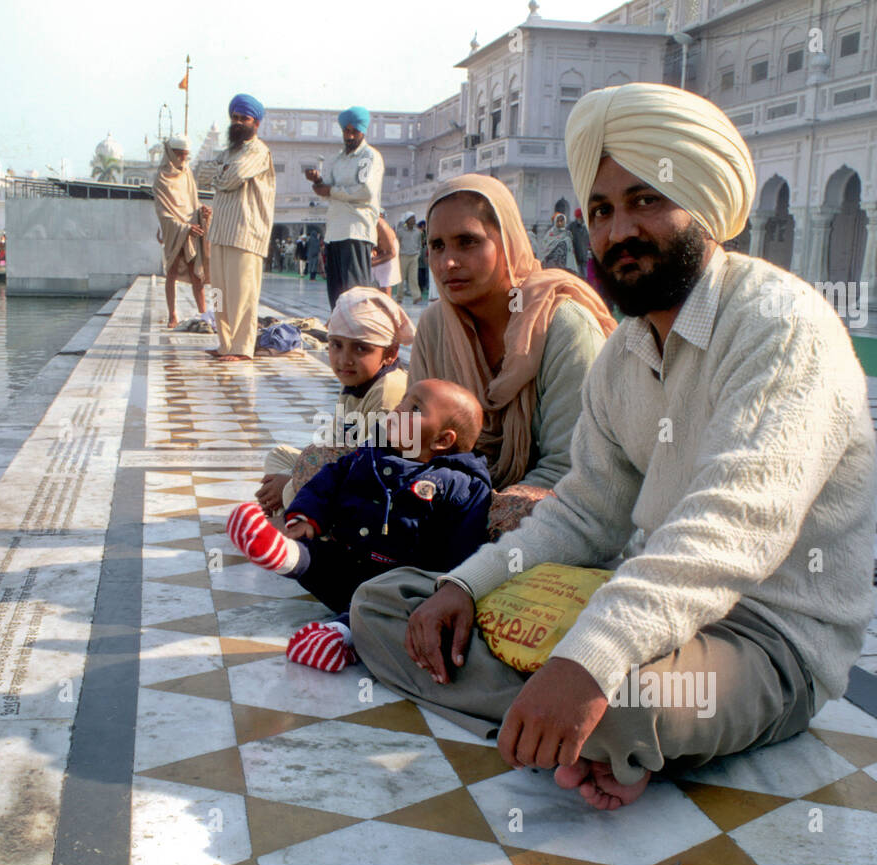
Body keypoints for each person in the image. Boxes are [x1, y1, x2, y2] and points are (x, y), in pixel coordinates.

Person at [351, 82, 877, 811]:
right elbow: (585, 512)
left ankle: (589, 721)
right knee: (390, 603)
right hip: (645, 604)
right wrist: (465, 587)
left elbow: (730, 528)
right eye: (601, 211)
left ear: (703, 203)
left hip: (764, 639)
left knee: (629, 701)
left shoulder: (782, 327)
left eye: (646, 200)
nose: (618, 230)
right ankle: (579, 729)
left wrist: (591, 662)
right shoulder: (625, 353)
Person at [230, 378, 491, 672]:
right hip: (345, 564)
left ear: (442, 440)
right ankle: (286, 556)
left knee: (389, 607)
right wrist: (304, 517)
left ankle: (343, 635)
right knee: (317, 556)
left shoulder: (460, 485)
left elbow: (465, 545)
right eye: (404, 399)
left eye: (415, 408)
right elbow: (328, 482)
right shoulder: (370, 453)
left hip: (398, 584)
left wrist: (449, 586)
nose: (399, 408)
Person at [406, 174, 616, 537]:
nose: (448, 262)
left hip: (549, 512)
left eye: (467, 242)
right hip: (454, 500)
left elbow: (570, 467)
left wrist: (474, 513)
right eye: (436, 246)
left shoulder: (562, 325)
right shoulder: (436, 326)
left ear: (507, 242)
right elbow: (414, 443)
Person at [257, 286, 413, 515]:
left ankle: (295, 515)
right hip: (346, 471)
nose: (344, 359)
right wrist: (297, 476)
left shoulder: (389, 393)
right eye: (336, 345)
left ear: (390, 352)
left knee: (291, 487)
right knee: (279, 455)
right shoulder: (356, 381)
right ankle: (294, 509)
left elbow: (370, 474)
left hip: (374, 494)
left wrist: (292, 485)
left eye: (361, 348)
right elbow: (334, 445)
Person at [206, 93, 276, 362]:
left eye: (243, 118)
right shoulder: (228, 153)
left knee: (243, 295)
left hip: (246, 232)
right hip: (221, 231)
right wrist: (219, 171)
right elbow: (204, 172)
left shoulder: (258, 151)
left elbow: (230, 178)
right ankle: (224, 344)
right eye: (234, 117)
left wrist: (219, 172)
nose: (237, 122)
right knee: (219, 295)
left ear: (255, 123)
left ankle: (242, 348)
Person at [305, 106, 383, 310]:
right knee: (337, 297)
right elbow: (327, 187)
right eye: (345, 131)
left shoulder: (368, 156)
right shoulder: (338, 159)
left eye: (353, 131)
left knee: (355, 296)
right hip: (335, 233)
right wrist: (318, 181)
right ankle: (341, 338)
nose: (348, 136)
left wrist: (331, 190)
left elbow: (365, 191)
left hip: (356, 231)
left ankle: (359, 339)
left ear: (362, 131)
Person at [153, 133, 213, 330]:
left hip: (193, 229)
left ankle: (204, 313)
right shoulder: (161, 178)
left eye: (186, 155)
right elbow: (164, 212)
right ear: (171, 153)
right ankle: (172, 315)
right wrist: (184, 228)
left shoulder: (187, 174)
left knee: (197, 274)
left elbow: (192, 203)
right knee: (171, 271)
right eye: (179, 155)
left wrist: (202, 212)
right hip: (175, 231)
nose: (183, 159)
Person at [371, 213, 401, 295]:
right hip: (380, 253)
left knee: (385, 281)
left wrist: (373, 262)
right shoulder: (368, 225)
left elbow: (392, 253)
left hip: (388, 254)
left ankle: (386, 305)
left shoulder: (381, 226)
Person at [397, 212, 424, 303]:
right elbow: (397, 244)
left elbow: (419, 244)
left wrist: (418, 254)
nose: (414, 220)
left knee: (413, 278)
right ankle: (399, 297)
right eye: (412, 218)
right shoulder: (400, 231)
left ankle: (416, 297)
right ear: (407, 220)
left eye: (414, 218)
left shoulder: (417, 232)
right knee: (401, 278)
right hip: (403, 256)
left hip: (414, 257)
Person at [568, 207, 590, 276]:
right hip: (575, 257)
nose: (582, 219)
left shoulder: (586, 226)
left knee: (585, 277)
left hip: (585, 257)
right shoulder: (572, 227)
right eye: (581, 217)